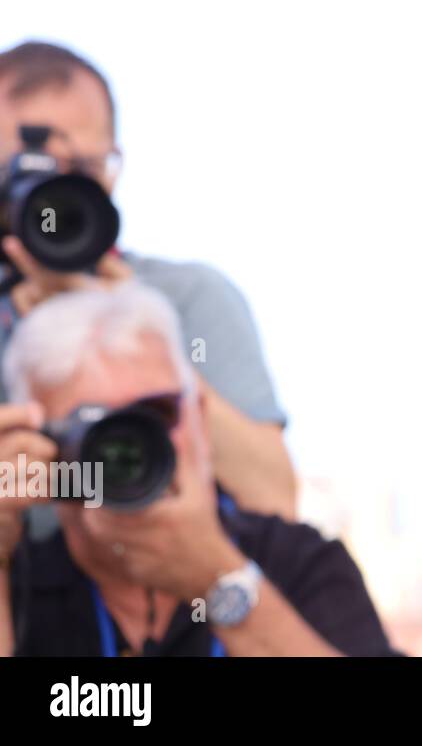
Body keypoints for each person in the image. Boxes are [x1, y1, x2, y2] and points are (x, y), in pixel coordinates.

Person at [0, 282, 396, 656]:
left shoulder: (294, 561)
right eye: (95, 429)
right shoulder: (20, 579)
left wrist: (219, 580)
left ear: (200, 420)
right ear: (38, 446)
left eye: (156, 413)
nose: (128, 449)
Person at [0, 41, 294, 521]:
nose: (47, 201)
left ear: (113, 171)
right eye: (19, 174)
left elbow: (275, 499)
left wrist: (136, 332)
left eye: (80, 170)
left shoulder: (187, 300)